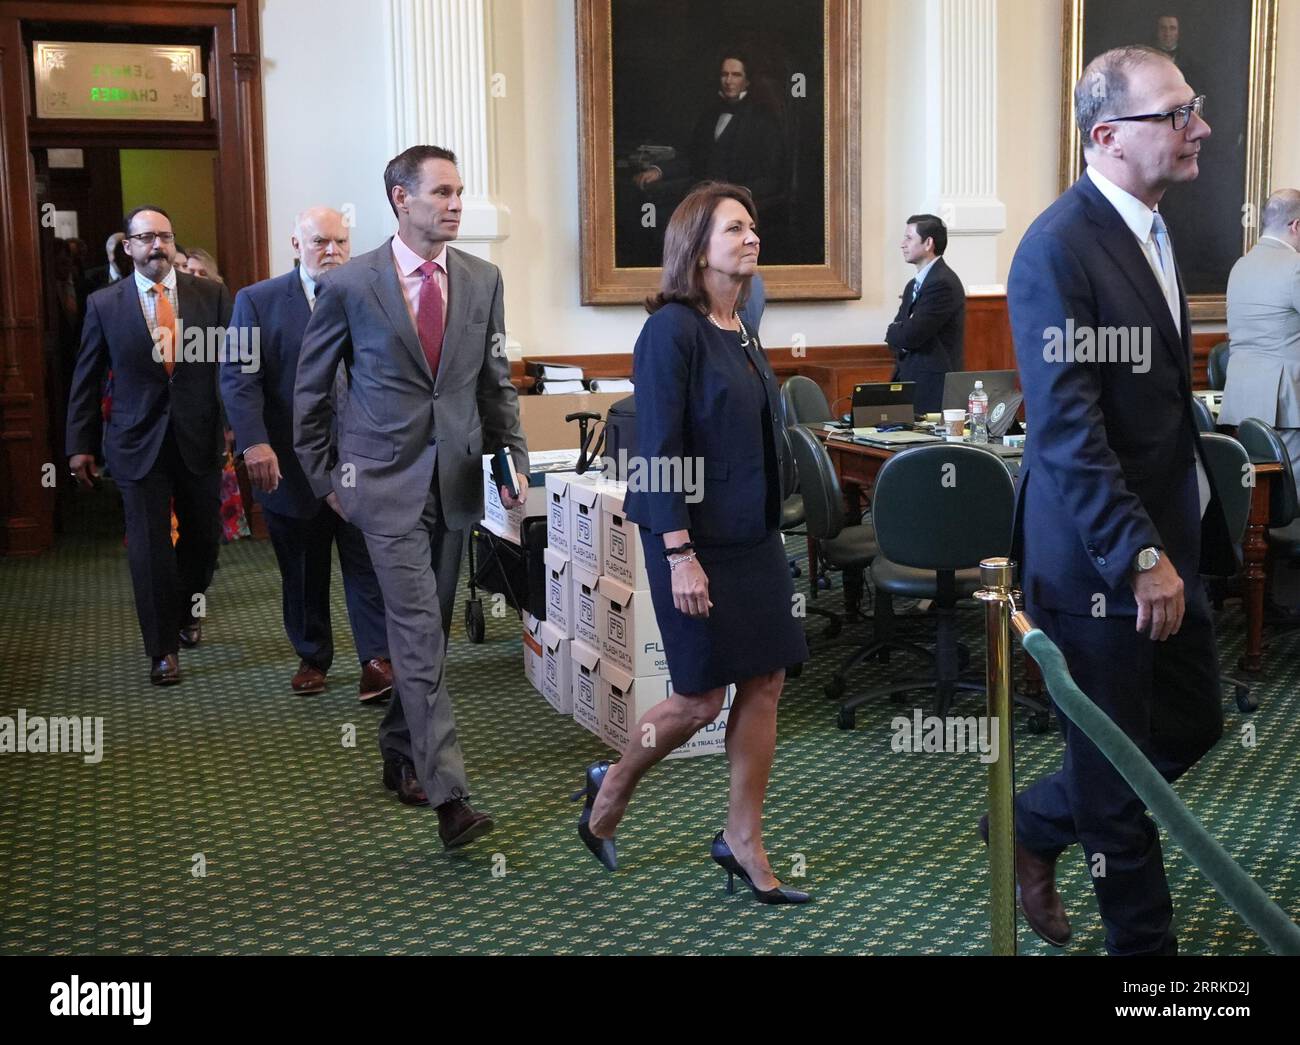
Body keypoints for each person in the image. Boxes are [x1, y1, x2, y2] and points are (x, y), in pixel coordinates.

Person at [1004, 45, 1235, 955]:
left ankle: (1034, 818)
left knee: (1190, 724)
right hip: (1099, 561)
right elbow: (1067, 429)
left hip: (1166, 547)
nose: (1200, 128)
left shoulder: (1151, 228)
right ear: (1107, 137)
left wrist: (1168, 548)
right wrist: (1137, 555)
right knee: (1116, 783)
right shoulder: (1056, 247)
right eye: (1176, 114)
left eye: (1194, 107)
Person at [574, 181, 810, 904]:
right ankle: (613, 782)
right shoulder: (671, 331)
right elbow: (658, 450)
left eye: (753, 225)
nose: (752, 237)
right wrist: (678, 552)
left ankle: (741, 837)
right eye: (735, 228)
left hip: (753, 537)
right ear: (696, 246)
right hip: (693, 540)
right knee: (700, 698)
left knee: (766, 680)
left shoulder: (742, 325)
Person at [295, 146, 528, 847]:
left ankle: (399, 751)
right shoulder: (351, 284)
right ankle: (450, 797)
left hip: (455, 485)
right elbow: (308, 397)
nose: (456, 204)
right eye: (443, 192)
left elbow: (494, 382)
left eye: (460, 192)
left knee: (428, 636)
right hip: (381, 489)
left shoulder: (483, 279)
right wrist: (331, 484)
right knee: (421, 633)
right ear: (401, 198)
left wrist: (509, 455)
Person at [221, 207, 394, 707]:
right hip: (289, 462)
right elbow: (239, 377)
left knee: (366, 560)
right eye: (320, 242)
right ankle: (313, 656)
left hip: (361, 460)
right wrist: (254, 442)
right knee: (302, 565)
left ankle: (376, 660)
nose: (333, 252)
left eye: (341, 242)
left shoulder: (370, 295)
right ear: (296, 245)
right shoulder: (258, 301)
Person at [66, 205, 233, 685]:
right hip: (135, 441)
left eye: (165, 236)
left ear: (174, 243)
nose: (156, 246)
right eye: (146, 238)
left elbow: (233, 366)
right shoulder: (105, 304)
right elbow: (87, 376)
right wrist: (80, 443)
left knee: (203, 538)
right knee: (148, 547)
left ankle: (187, 608)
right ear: (129, 246)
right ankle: (161, 650)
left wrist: (238, 427)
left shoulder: (211, 296)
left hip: (199, 437)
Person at [1220, 189, 1300, 493]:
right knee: (1288, 503)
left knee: (1256, 500)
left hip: (1242, 402)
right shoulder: (1294, 267)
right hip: (1286, 405)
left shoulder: (1240, 267)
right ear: (1296, 226)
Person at [634, 53, 785, 212]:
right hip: (700, 189)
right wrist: (659, 171)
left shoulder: (763, 120)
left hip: (735, 197)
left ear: (747, 82)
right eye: (724, 74)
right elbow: (693, 159)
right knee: (650, 197)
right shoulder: (710, 115)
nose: (728, 81)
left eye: (736, 75)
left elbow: (772, 177)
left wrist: (743, 192)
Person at [884, 214, 966, 413]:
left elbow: (910, 336)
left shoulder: (942, 283)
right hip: (907, 383)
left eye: (909, 238)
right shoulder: (912, 285)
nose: (902, 244)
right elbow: (894, 337)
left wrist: (901, 331)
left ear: (928, 243)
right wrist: (900, 331)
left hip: (931, 389)